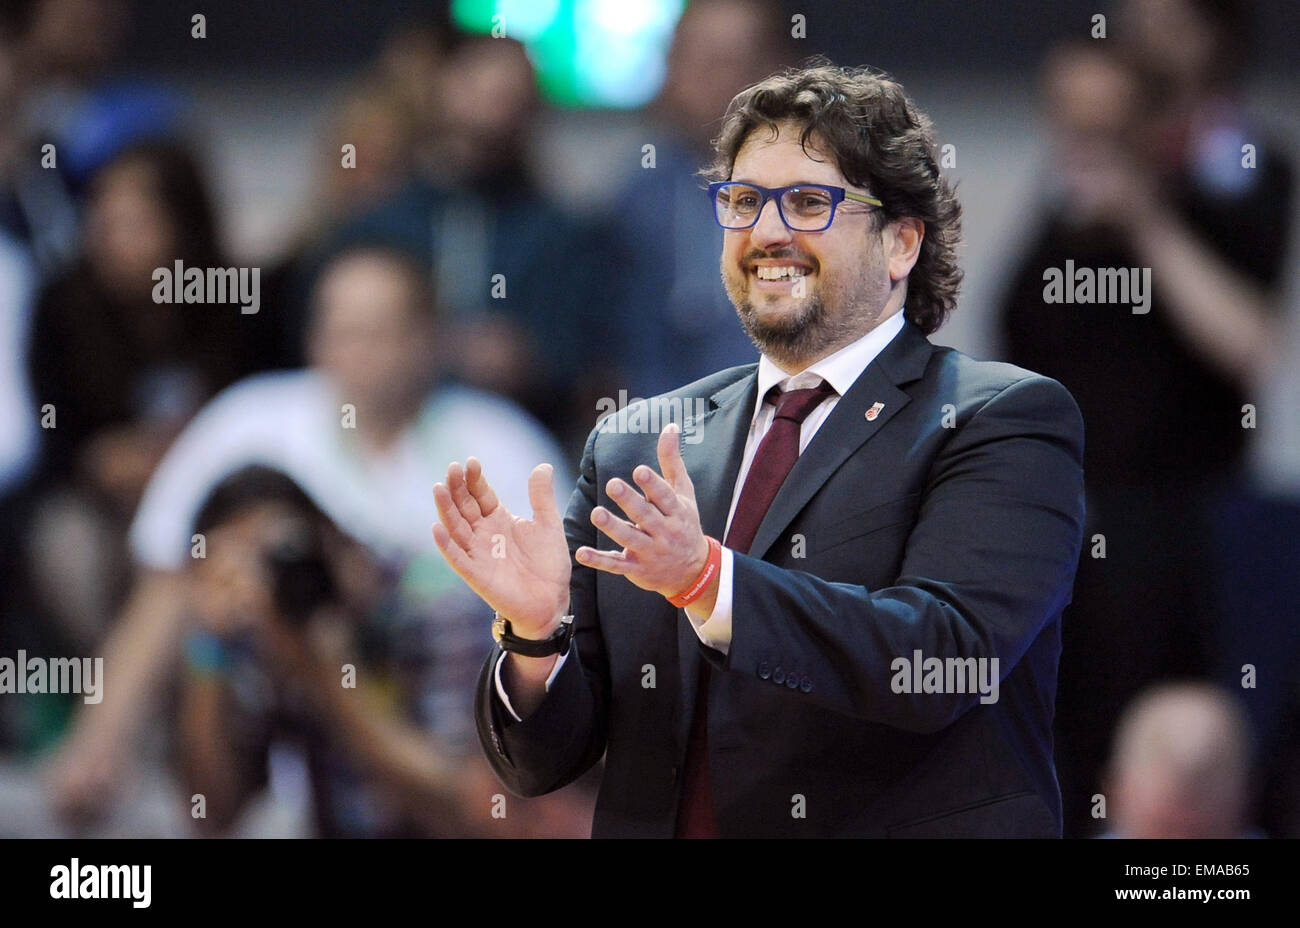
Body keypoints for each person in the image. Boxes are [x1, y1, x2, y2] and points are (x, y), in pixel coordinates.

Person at [433, 62, 1087, 837]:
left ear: (901, 242)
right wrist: (537, 636)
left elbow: (940, 660)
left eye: (808, 203)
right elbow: (543, 762)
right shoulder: (636, 441)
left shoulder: (1001, 419)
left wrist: (710, 579)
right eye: (743, 202)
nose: (766, 232)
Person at [43, 244, 587, 835]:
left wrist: (323, 669)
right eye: (343, 329)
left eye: (382, 330)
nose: (360, 351)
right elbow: (173, 584)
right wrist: (202, 655)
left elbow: (480, 805)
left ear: (429, 338)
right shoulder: (248, 424)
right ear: (313, 337)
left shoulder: (498, 448)